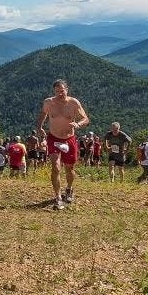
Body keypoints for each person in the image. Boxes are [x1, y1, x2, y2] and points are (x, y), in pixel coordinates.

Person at [35, 79, 89, 210]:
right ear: (54, 91)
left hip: (69, 139)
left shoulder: (73, 103)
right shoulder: (49, 102)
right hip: (53, 138)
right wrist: (39, 127)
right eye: (57, 91)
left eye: (62, 91)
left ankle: (69, 189)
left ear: (67, 90)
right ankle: (58, 197)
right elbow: (43, 113)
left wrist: (78, 124)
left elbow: (85, 118)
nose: (60, 93)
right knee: (56, 166)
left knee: (69, 168)